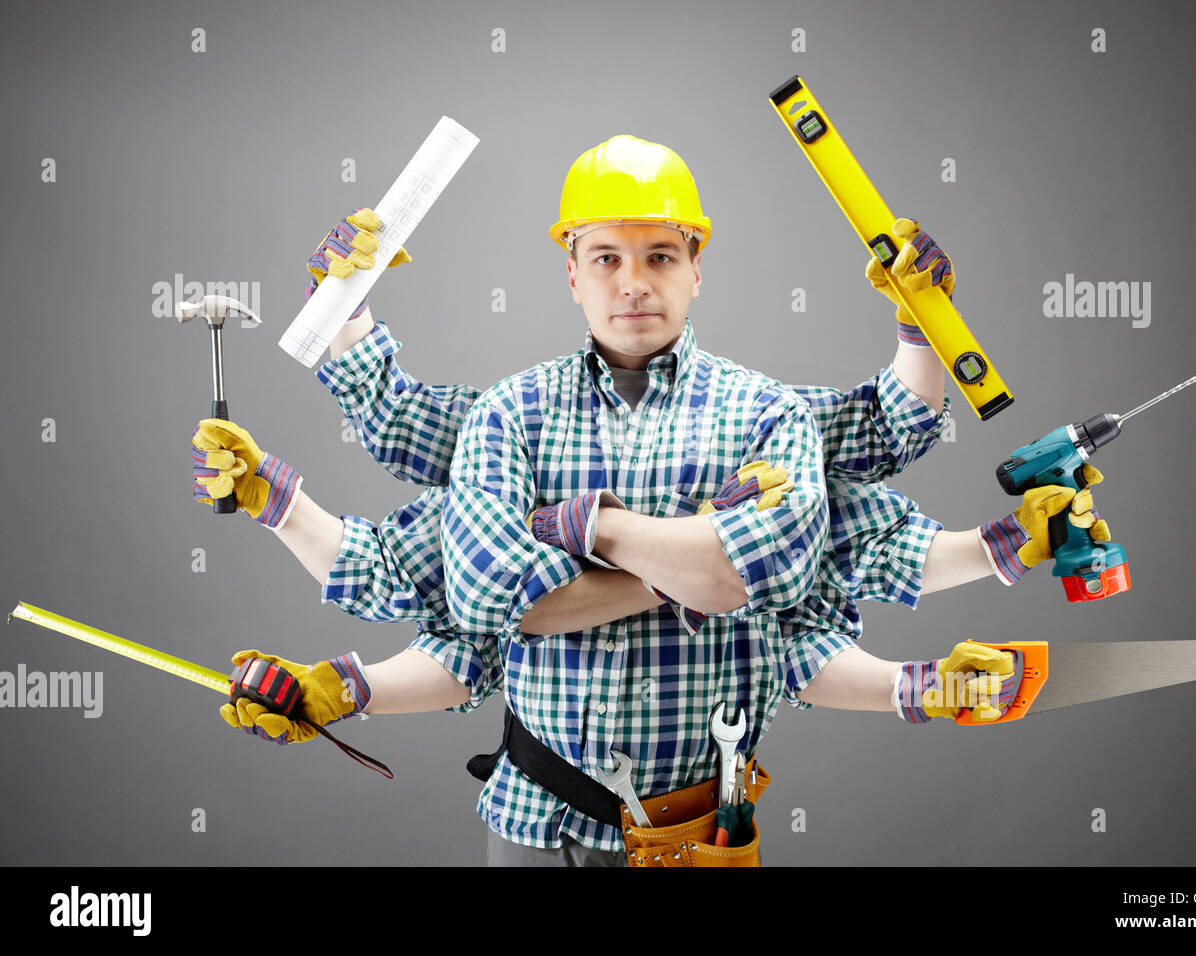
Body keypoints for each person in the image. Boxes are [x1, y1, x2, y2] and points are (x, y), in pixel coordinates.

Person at [193, 135, 1109, 865]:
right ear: (572, 270)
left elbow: (869, 452)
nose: (634, 280)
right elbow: (480, 604)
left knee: (828, 531)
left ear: (696, 265)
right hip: (533, 820)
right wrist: (340, 297)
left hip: (699, 832)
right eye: (607, 256)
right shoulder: (507, 416)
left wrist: (589, 530)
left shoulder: (767, 413)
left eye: (661, 254)